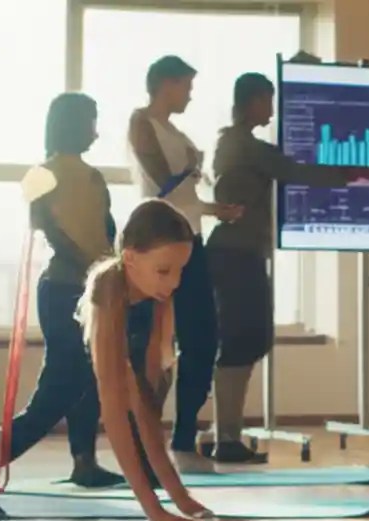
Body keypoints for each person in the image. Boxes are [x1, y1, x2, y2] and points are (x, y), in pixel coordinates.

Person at [0, 92, 124, 509]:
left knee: (91, 378)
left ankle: (85, 462)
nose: (95, 132)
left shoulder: (95, 176)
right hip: (65, 289)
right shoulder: (39, 174)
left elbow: (107, 229)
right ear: (69, 124)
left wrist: (109, 274)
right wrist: (91, 268)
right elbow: (46, 227)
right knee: (56, 393)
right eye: (89, 123)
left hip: (94, 290)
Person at [204, 72, 369, 462]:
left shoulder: (235, 142)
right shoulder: (242, 144)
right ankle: (226, 440)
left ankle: (219, 433)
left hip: (241, 254)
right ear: (253, 102)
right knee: (242, 342)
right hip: (235, 255)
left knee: (246, 342)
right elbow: (293, 170)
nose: (272, 110)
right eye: (268, 101)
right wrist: (352, 174)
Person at [127, 55, 242, 473]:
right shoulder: (142, 122)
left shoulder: (175, 131)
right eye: (186, 87)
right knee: (153, 343)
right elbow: (161, 183)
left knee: (202, 338)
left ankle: (184, 430)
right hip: (156, 244)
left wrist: (213, 209)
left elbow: (183, 197)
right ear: (166, 84)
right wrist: (192, 167)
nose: (190, 95)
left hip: (188, 240)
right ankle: (144, 432)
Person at [76, 199, 214, 521]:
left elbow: (145, 406)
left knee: (145, 404)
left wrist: (180, 497)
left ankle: (178, 495)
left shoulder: (157, 295)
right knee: (44, 410)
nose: (175, 282)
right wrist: (155, 513)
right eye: (165, 271)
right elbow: (113, 408)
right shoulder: (109, 291)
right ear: (131, 260)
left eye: (181, 270)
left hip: (127, 340)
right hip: (80, 353)